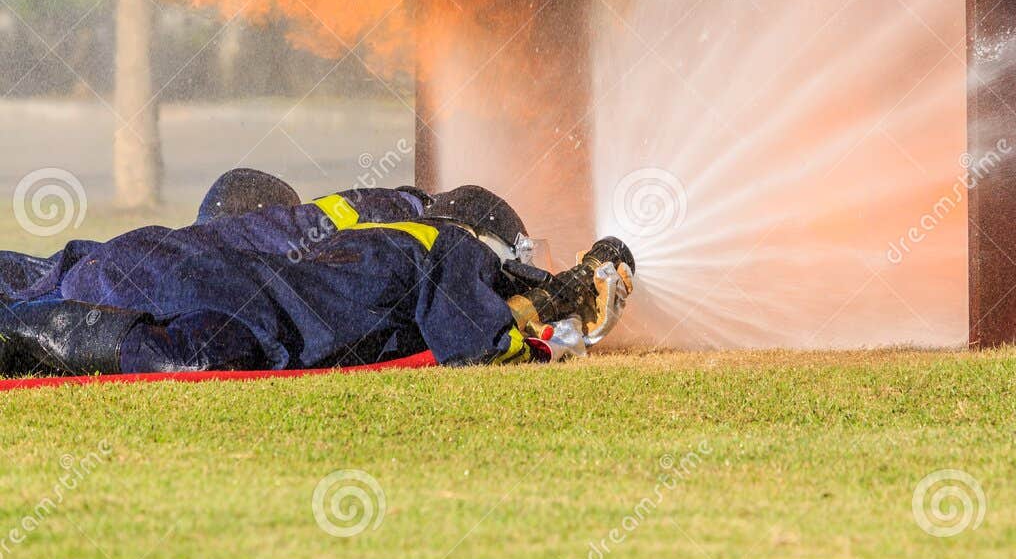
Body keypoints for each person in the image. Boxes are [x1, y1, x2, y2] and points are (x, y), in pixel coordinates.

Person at [0, 168, 634, 377]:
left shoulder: (356, 214)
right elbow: (483, 347)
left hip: (137, 252)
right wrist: (561, 297)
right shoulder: (448, 246)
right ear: (487, 241)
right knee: (190, 357)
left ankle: (19, 314)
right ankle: (20, 334)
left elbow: (241, 198)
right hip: (213, 306)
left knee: (52, 272)